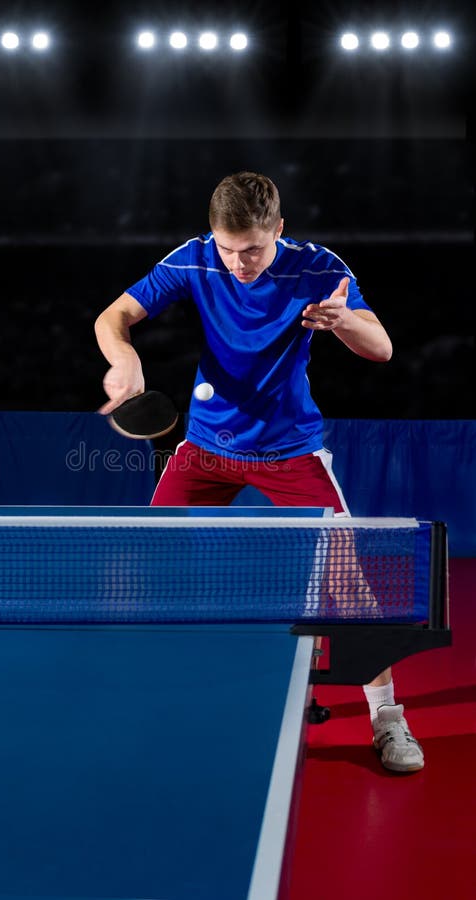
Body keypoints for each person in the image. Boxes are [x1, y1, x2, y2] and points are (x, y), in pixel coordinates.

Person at [94, 171, 424, 773]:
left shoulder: (318, 268)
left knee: (348, 584)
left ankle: (387, 718)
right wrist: (125, 360)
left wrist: (342, 321)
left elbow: (382, 348)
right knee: (149, 558)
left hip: (288, 450)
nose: (239, 262)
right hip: (206, 447)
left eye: (252, 248)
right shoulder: (195, 261)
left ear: (278, 229)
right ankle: (147, 696)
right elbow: (112, 316)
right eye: (228, 248)